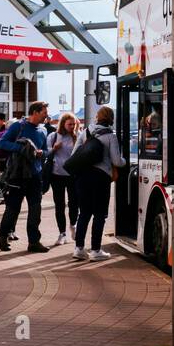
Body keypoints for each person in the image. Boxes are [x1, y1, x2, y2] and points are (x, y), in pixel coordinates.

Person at [71, 106, 125, 261]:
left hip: (82, 177)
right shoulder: (110, 136)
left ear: (97, 117)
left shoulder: (85, 132)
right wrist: (124, 161)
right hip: (101, 178)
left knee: (85, 212)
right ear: (111, 118)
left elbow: (74, 155)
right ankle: (95, 250)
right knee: (100, 214)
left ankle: (79, 249)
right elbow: (116, 161)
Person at [0, 101, 50, 253]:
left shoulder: (43, 130)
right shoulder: (18, 126)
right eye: (44, 113)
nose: (46, 116)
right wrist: (21, 149)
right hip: (17, 175)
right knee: (13, 209)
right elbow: (2, 143)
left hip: (35, 175)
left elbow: (46, 151)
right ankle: (3, 236)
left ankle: (34, 242)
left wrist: (41, 153)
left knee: (35, 210)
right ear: (35, 112)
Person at [45, 112, 80, 246]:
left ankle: (73, 225)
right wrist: (53, 149)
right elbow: (46, 152)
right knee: (59, 204)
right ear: (63, 124)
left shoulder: (78, 136)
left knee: (74, 203)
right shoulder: (53, 136)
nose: (72, 126)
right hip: (56, 175)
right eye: (69, 124)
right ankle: (62, 234)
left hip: (72, 175)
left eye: (74, 124)